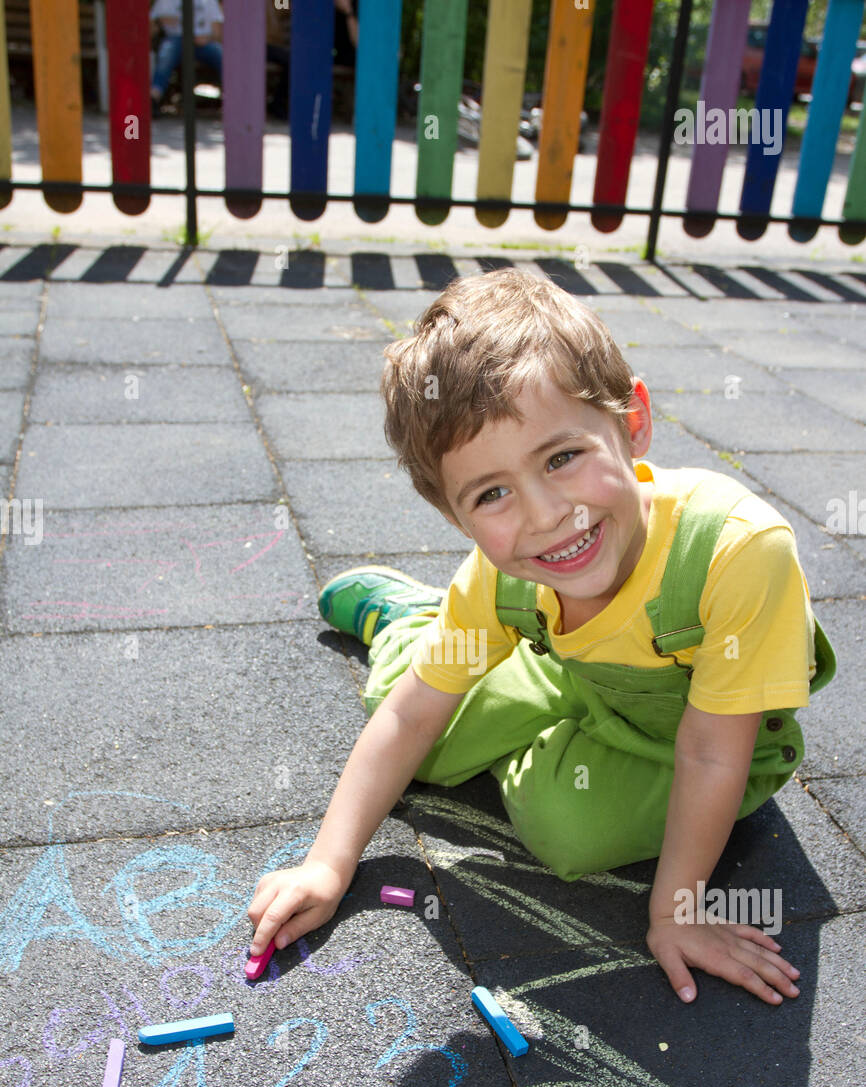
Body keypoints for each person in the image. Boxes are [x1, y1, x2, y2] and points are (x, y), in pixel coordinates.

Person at [246, 268, 837, 1008]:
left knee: (569, 832)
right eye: (492, 494)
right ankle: (412, 623)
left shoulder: (736, 553)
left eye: (562, 458)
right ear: (457, 518)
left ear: (633, 422)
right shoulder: (504, 576)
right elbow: (410, 716)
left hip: (699, 736)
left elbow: (711, 752)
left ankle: (497, 698)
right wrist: (328, 866)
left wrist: (676, 913)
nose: (547, 515)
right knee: (416, 732)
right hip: (570, 673)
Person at [150, 0, 224, 115]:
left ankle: (235, 95)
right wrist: (160, 22)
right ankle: (154, 96)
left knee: (221, 54)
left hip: (203, 42)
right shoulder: (165, 2)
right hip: (176, 39)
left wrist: (207, 38)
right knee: (166, 53)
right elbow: (152, 25)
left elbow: (218, 32)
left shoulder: (208, 2)